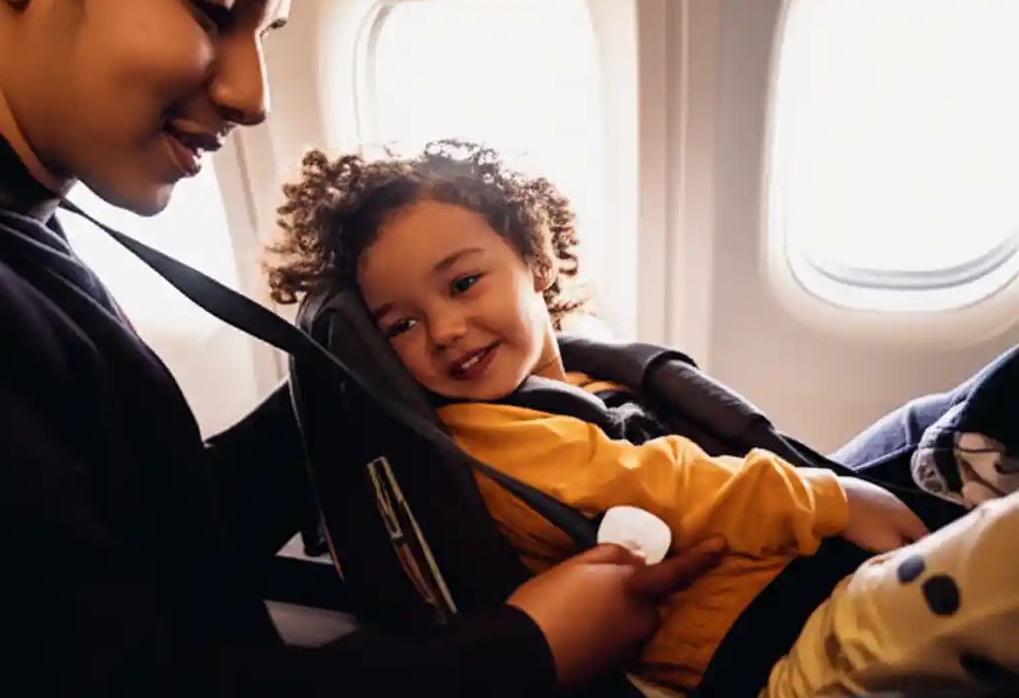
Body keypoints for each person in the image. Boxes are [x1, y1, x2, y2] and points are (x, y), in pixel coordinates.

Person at [0, 0, 726, 696]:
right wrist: (520, 653)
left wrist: (369, 389)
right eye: (214, 5)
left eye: (272, 26)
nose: (254, 94)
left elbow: (130, 534)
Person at [263, 140, 1019, 695]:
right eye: (401, 325)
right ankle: (966, 476)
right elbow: (664, 483)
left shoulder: (574, 376)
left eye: (463, 283)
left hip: (775, 575)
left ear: (536, 260)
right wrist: (833, 496)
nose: (445, 329)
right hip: (775, 633)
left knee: (947, 408)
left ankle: (958, 463)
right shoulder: (487, 434)